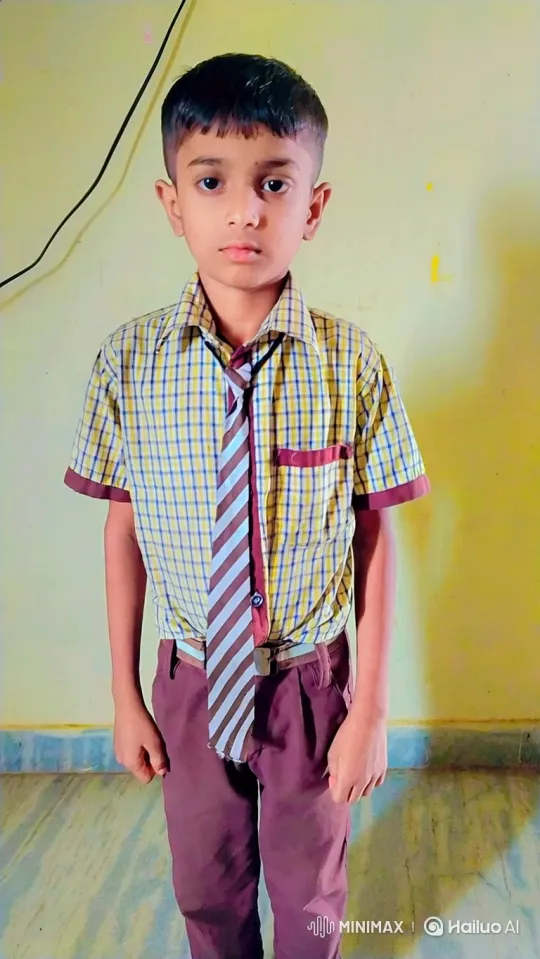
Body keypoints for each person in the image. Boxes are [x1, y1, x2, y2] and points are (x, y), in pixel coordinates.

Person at [64, 52, 429, 959]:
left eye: (274, 182)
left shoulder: (351, 363)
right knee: (206, 890)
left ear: (313, 205)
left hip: (310, 684)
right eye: (212, 180)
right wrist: (124, 692)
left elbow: (376, 535)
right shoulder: (129, 363)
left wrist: (370, 710)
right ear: (170, 202)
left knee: (311, 901)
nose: (243, 210)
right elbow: (123, 533)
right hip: (188, 681)